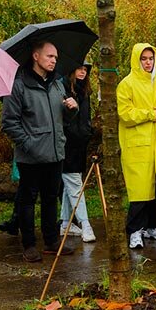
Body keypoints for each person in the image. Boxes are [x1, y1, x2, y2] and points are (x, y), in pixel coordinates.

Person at [1, 41, 78, 263]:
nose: (54, 60)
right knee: (27, 200)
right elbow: (9, 123)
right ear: (36, 56)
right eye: (50, 56)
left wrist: (72, 109)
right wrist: (29, 144)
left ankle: (52, 241)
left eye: (55, 57)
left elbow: (63, 120)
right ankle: (29, 245)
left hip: (55, 152)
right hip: (30, 156)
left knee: (50, 197)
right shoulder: (18, 86)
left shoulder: (57, 85)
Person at [118, 44, 156, 249]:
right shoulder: (127, 84)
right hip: (138, 146)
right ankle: (135, 230)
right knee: (140, 191)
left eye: (150, 58)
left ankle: (154, 226)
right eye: (143, 58)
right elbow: (125, 113)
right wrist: (151, 114)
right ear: (137, 60)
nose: (147, 62)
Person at [60, 63, 96, 242]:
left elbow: (85, 118)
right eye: (79, 68)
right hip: (66, 145)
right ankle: (86, 224)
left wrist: (86, 134)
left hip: (80, 144)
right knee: (74, 185)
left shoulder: (84, 91)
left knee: (71, 184)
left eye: (86, 69)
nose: (83, 72)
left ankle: (66, 223)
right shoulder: (62, 88)